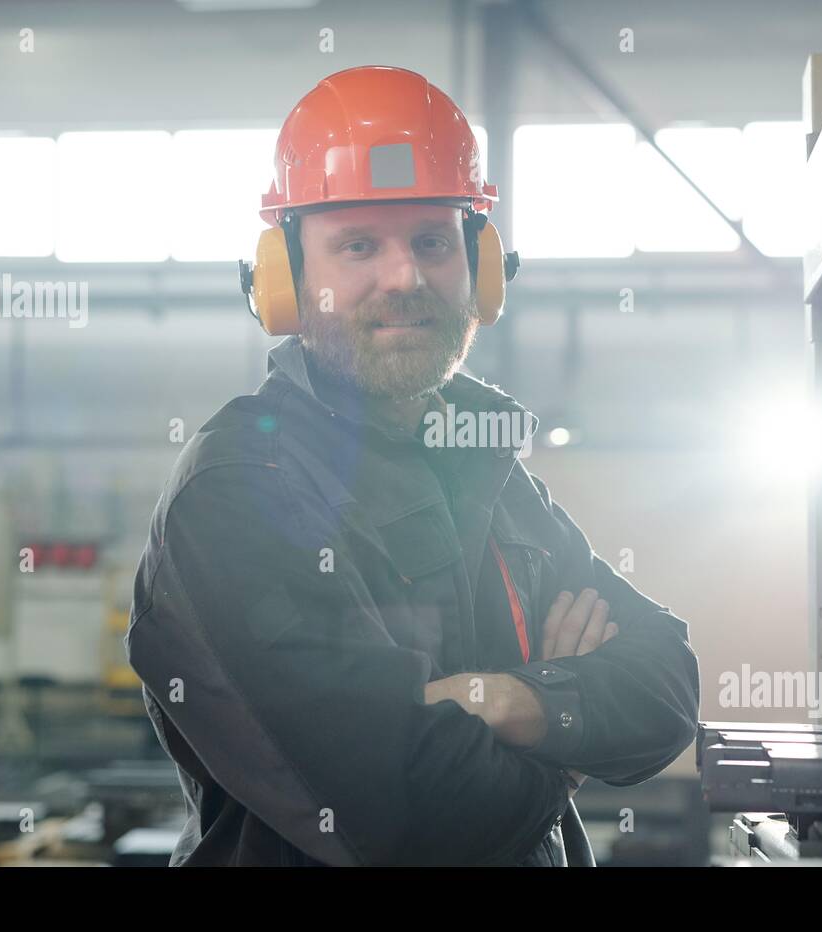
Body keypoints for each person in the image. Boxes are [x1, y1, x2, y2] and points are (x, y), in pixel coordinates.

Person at [125, 65, 700, 866]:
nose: (405, 277)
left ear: (480, 266)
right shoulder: (237, 493)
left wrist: (513, 701)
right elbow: (414, 819)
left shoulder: (485, 462)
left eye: (432, 240)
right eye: (358, 245)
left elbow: (667, 680)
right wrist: (567, 741)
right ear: (287, 281)